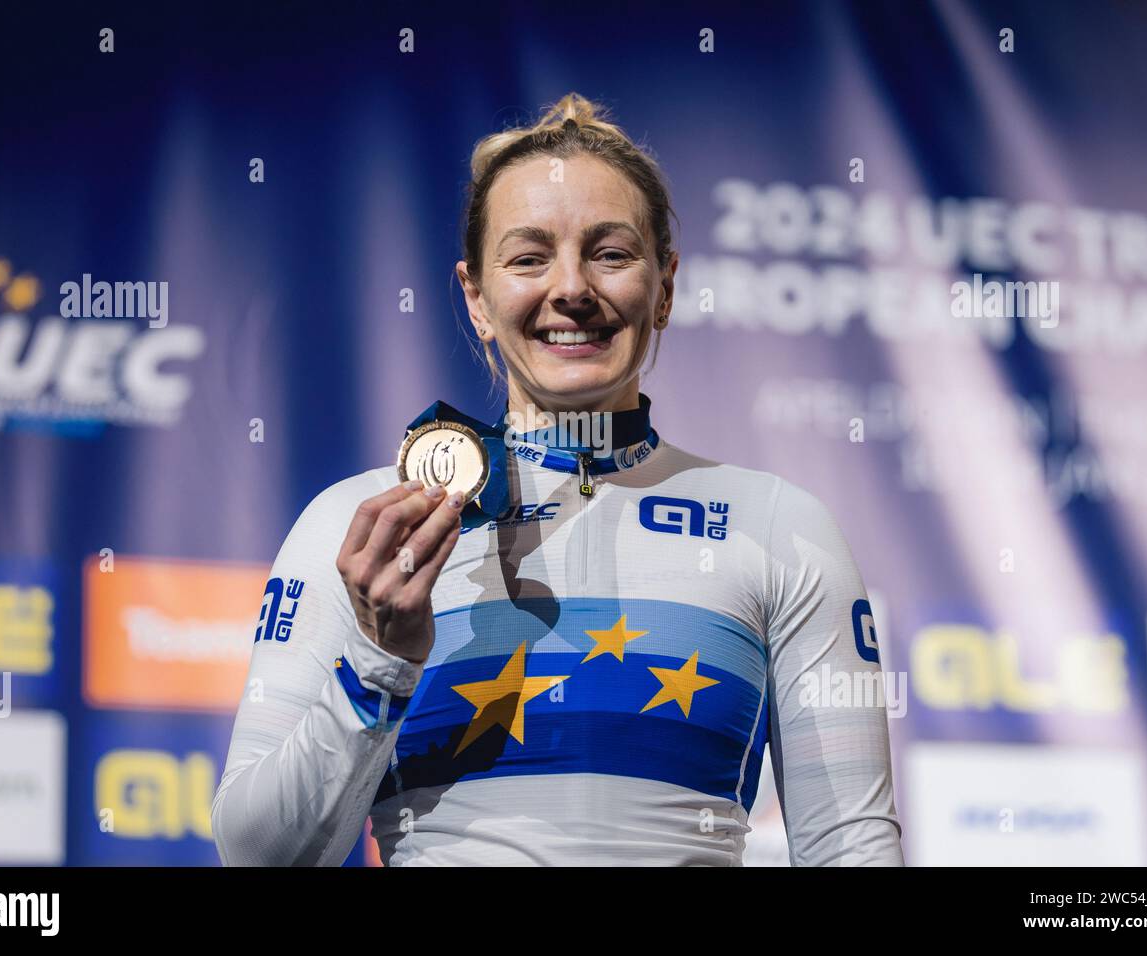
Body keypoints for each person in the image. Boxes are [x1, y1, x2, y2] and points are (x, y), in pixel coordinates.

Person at [212, 92, 904, 866]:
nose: (571, 288)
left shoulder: (779, 524)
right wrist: (381, 660)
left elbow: (852, 851)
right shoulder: (359, 524)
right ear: (476, 297)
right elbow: (258, 856)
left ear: (666, 288)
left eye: (610, 253)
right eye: (529, 257)